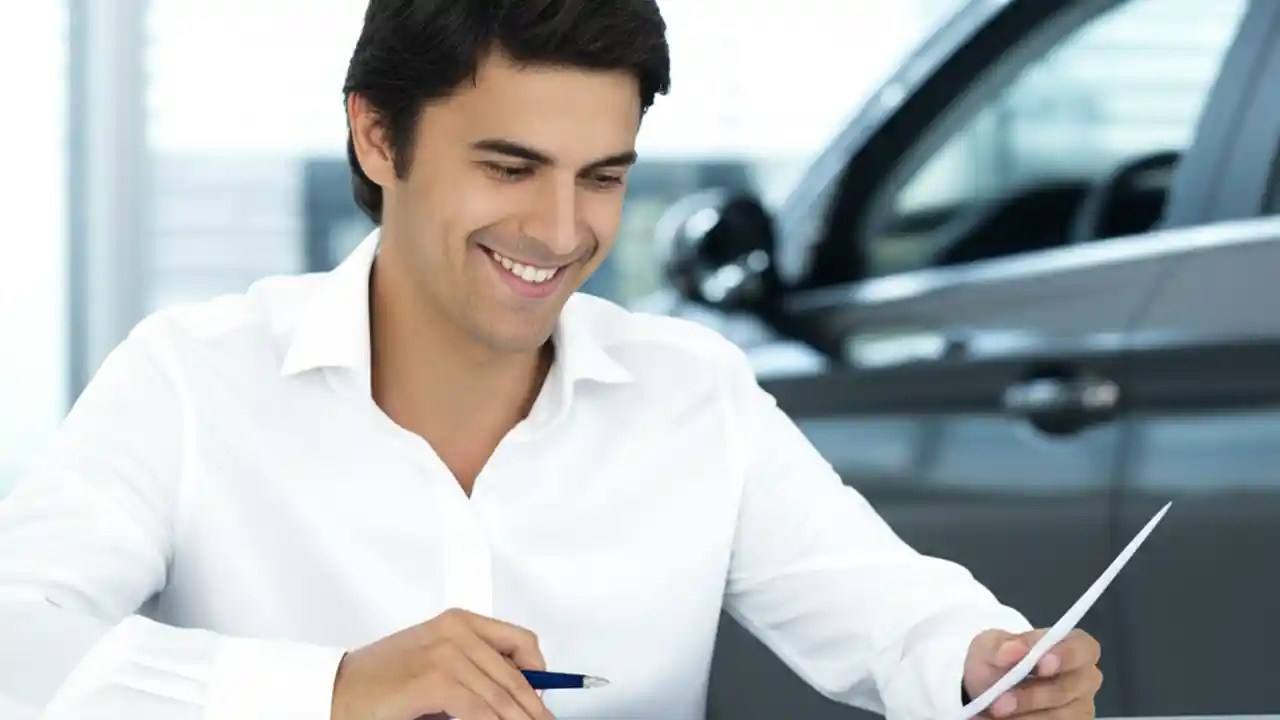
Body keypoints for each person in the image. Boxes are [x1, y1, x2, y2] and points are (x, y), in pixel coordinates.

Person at [0, 1, 1104, 719]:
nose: (560, 229)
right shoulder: (193, 379)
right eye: (510, 166)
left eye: (602, 176)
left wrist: (979, 663)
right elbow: (16, 644)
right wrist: (331, 690)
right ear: (378, 138)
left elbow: (873, 599)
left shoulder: (692, 393)